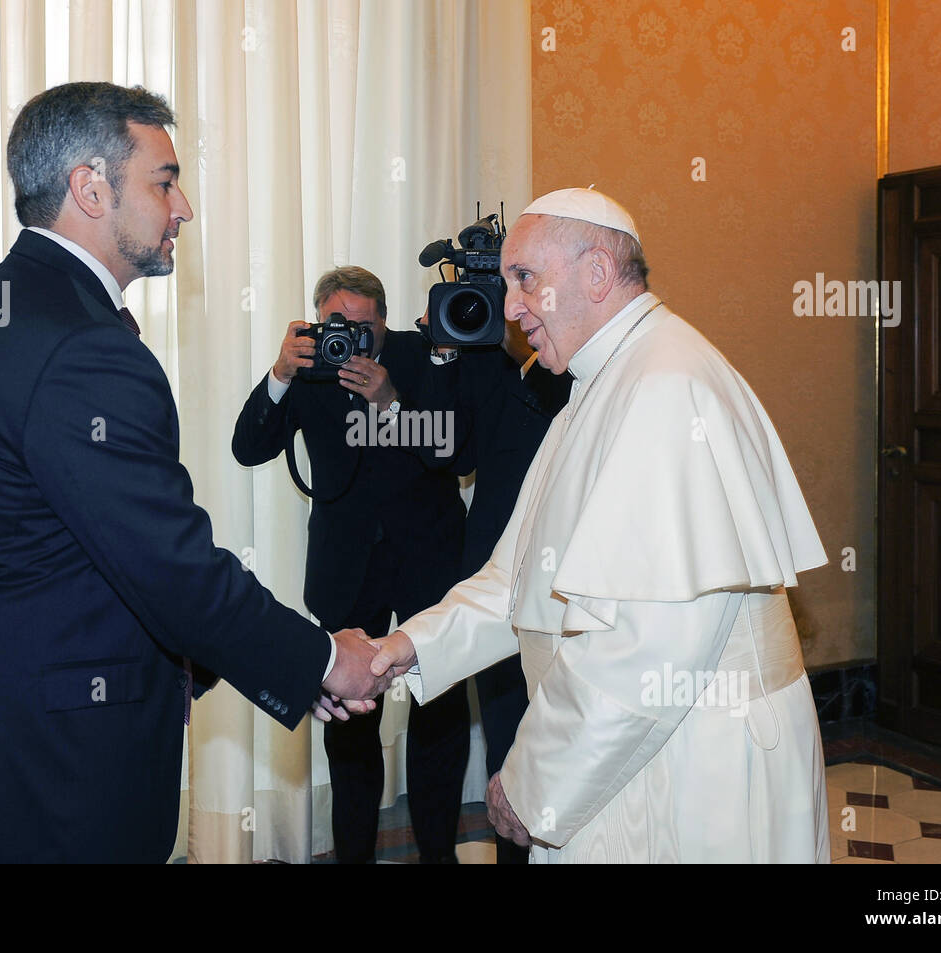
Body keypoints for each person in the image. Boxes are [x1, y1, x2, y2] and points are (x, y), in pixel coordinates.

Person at [0, 82, 387, 863]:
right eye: (165, 180)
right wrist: (319, 659)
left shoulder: (16, 300)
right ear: (91, 187)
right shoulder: (81, 344)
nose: (184, 209)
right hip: (41, 784)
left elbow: (97, 562)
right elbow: (169, 567)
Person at [368, 187, 831, 863]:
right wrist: (406, 645)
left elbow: (645, 653)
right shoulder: (596, 383)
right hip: (634, 753)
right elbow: (520, 575)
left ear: (596, 273)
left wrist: (530, 785)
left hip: (694, 765)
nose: (510, 306)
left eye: (525, 277)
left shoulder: (666, 386)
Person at [232, 268, 470, 863]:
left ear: (384, 320)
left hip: (428, 560)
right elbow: (248, 447)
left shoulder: (423, 354)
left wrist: (389, 400)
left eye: (364, 326)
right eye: (340, 324)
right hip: (347, 566)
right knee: (350, 726)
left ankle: (439, 852)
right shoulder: (310, 364)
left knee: (437, 713)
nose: (352, 337)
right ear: (319, 320)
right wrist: (282, 374)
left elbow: (454, 454)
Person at [412, 311, 570, 863]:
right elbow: (445, 452)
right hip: (495, 587)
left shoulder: (586, 366)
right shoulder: (480, 362)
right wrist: (443, 354)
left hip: (569, 588)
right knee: (506, 750)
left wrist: (522, 358)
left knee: (558, 746)